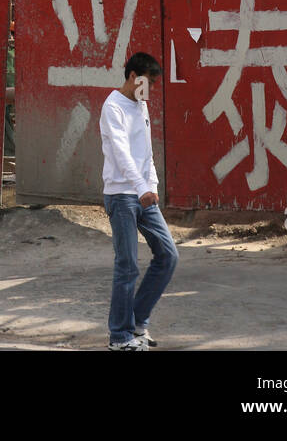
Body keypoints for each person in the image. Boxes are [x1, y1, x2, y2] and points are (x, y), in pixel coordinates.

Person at [99, 51, 178, 352]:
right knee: (127, 265)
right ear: (133, 77)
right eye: (149, 82)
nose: (152, 89)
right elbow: (121, 154)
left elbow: (146, 152)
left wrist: (152, 185)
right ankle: (119, 337)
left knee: (168, 255)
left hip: (143, 193)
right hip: (121, 195)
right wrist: (140, 186)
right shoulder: (113, 107)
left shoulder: (141, 104)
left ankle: (137, 324)